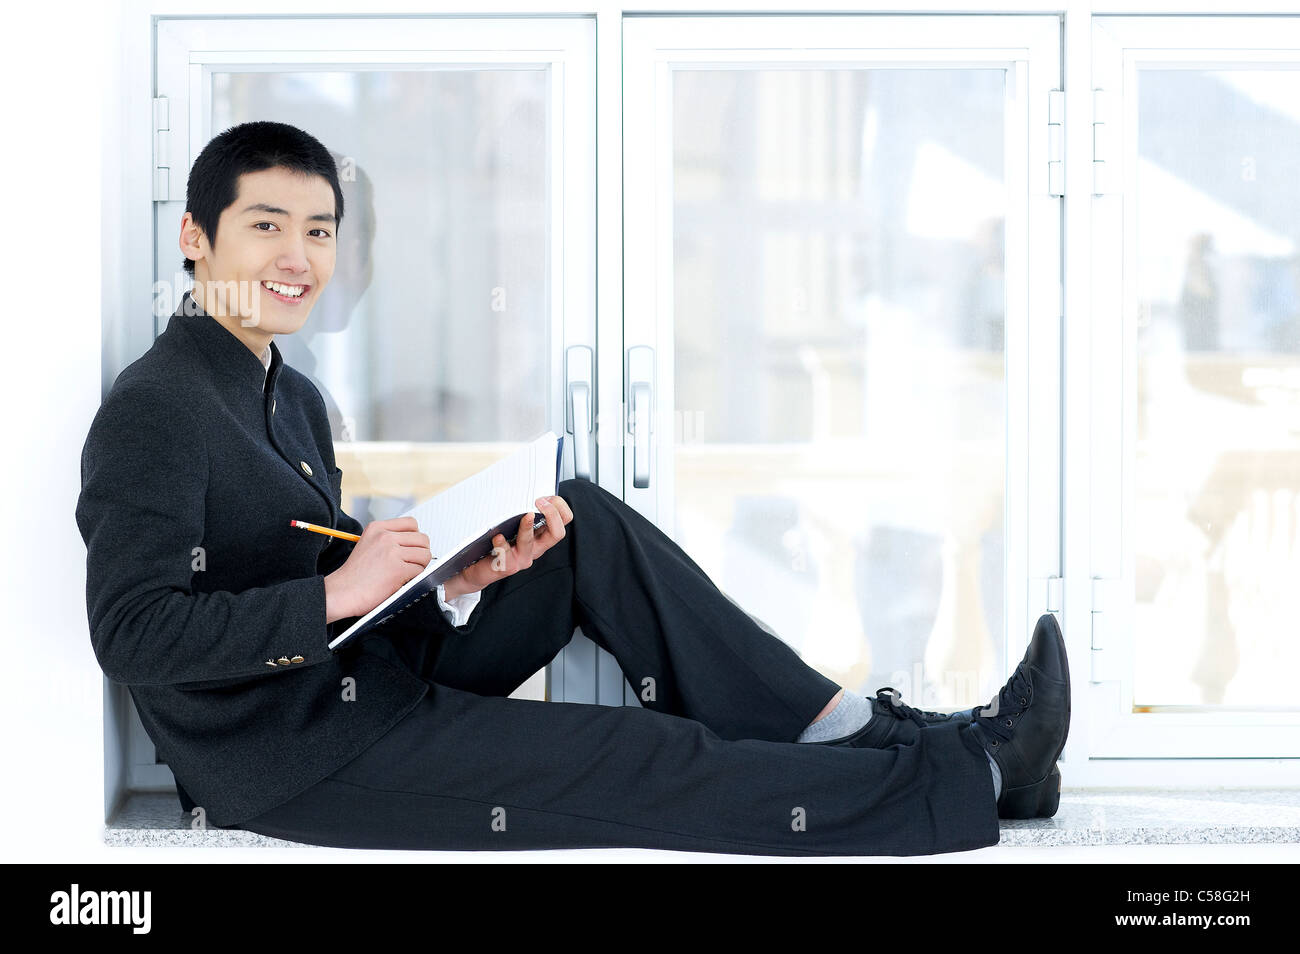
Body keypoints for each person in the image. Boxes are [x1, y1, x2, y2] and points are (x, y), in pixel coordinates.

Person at [76, 120, 1070, 857]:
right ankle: (973, 777)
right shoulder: (158, 406)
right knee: (638, 753)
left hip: (357, 681)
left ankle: (865, 731)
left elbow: (321, 567)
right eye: (266, 227)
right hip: (294, 754)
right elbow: (131, 631)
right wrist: (338, 590)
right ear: (195, 238)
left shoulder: (286, 392)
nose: (298, 258)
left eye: (321, 232)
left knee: (578, 517)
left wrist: (457, 579)